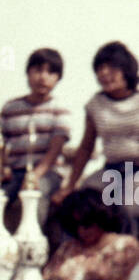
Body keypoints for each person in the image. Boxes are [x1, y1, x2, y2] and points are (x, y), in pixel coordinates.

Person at [53, 42, 139, 236]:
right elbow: (85, 148)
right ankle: (77, 258)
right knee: (82, 201)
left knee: (129, 205)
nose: (105, 73)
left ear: (127, 69)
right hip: (113, 170)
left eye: (112, 67)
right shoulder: (96, 105)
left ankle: (130, 258)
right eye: (100, 69)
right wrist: (70, 185)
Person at [0, 48, 70, 237]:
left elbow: (55, 149)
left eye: (50, 72)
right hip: (16, 172)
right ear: (28, 73)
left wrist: (36, 174)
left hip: (48, 173)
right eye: (37, 70)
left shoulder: (59, 110)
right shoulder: (11, 108)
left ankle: (33, 242)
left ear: (58, 77)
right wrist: (1, 167)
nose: (43, 77)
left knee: (36, 195)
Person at [43, 188, 139, 280]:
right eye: (75, 225)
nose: (81, 230)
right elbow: (48, 277)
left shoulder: (125, 246)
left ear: (100, 218)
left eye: (86, 223)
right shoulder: (68, 247)